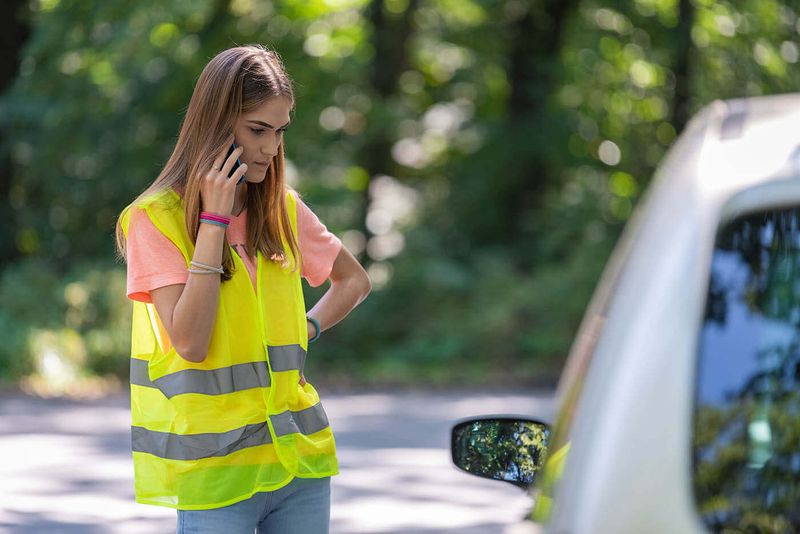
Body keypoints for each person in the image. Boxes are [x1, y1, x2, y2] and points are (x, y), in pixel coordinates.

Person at [113, 44, 371, 533]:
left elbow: (354, 280)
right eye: (257, 130)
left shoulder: (281, 208)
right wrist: (213, 222)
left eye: (279, 131)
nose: (271, 148)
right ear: (216, 124)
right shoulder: (155, 219)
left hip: (299, 460)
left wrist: (307, 328)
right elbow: (189, 342)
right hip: (218, 473)